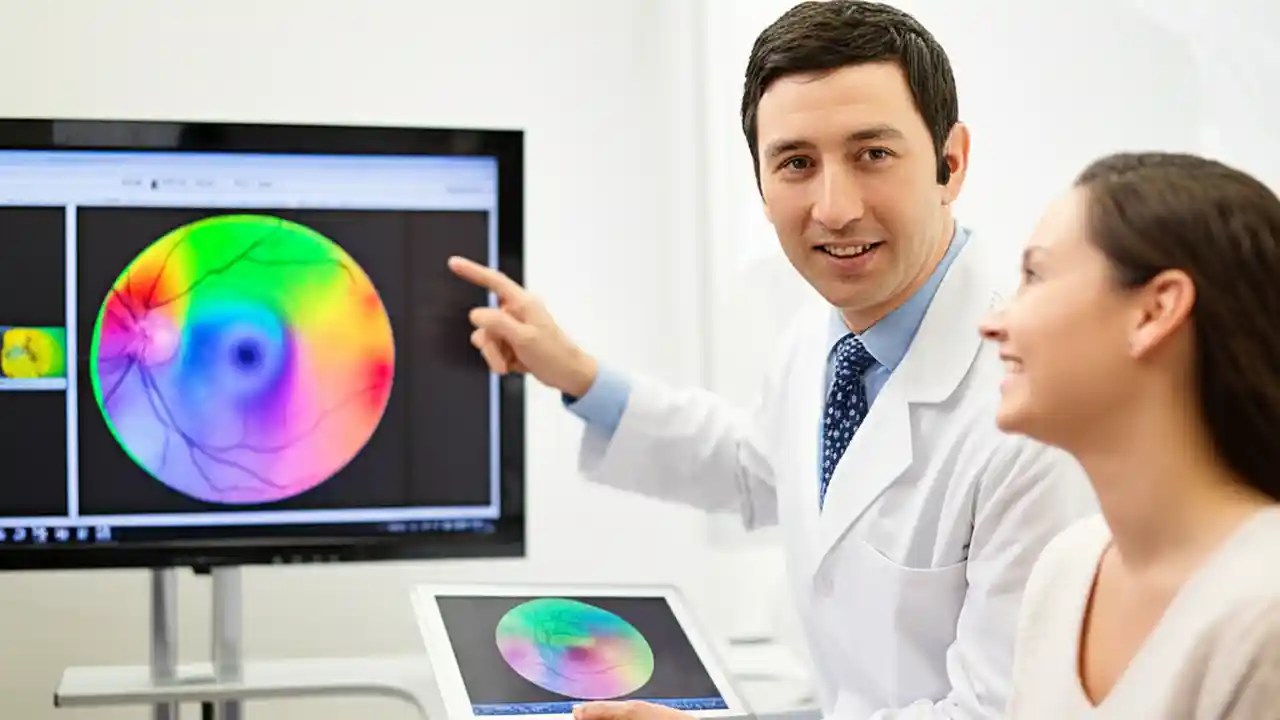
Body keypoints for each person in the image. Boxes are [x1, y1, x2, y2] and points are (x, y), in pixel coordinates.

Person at [450, 1, 1094, 717]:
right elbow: (756, 470)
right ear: (760, 183)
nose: (834, 209)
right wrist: (577, 375)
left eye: (872, 155)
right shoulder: (825, 336)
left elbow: (1005, 709)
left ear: (951, 163)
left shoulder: (1041, 411)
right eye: (796, 163)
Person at [981, 152, 1280, 718]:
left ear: (1154, 312)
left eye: (1035, 276)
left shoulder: (1264, 614)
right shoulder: (1067, 569)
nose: (993, 323)